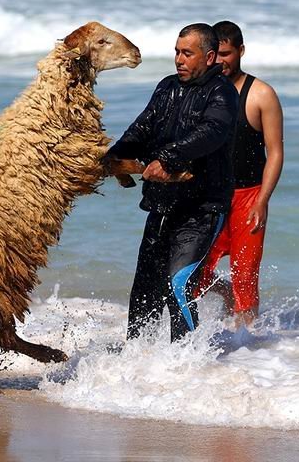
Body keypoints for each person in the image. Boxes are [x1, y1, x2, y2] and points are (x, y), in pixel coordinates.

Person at [106, 23, 238, 341]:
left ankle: (189, 363)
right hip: (163, 205)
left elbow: (211, 133)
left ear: (208, 57)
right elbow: (142, 128)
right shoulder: (167, 88)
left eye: (187, 53)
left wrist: (166, 160)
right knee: (144, 292)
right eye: (177, 52)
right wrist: (114, 157)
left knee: (177, 285)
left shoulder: (222, 93)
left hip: (202, 208)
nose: (179, 59)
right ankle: (138, 359)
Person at [194, 21, 284, 328]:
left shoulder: (261, 95)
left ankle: (248, 348)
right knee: (193, 274)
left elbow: (275, 152)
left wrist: (262, 200)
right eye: (215, 55)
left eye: (227, 54)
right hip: (209, 196)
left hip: (248, 197)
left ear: (240, 51)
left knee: (245, 277)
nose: (220, 61)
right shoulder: (200, 92)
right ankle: (224, 294)